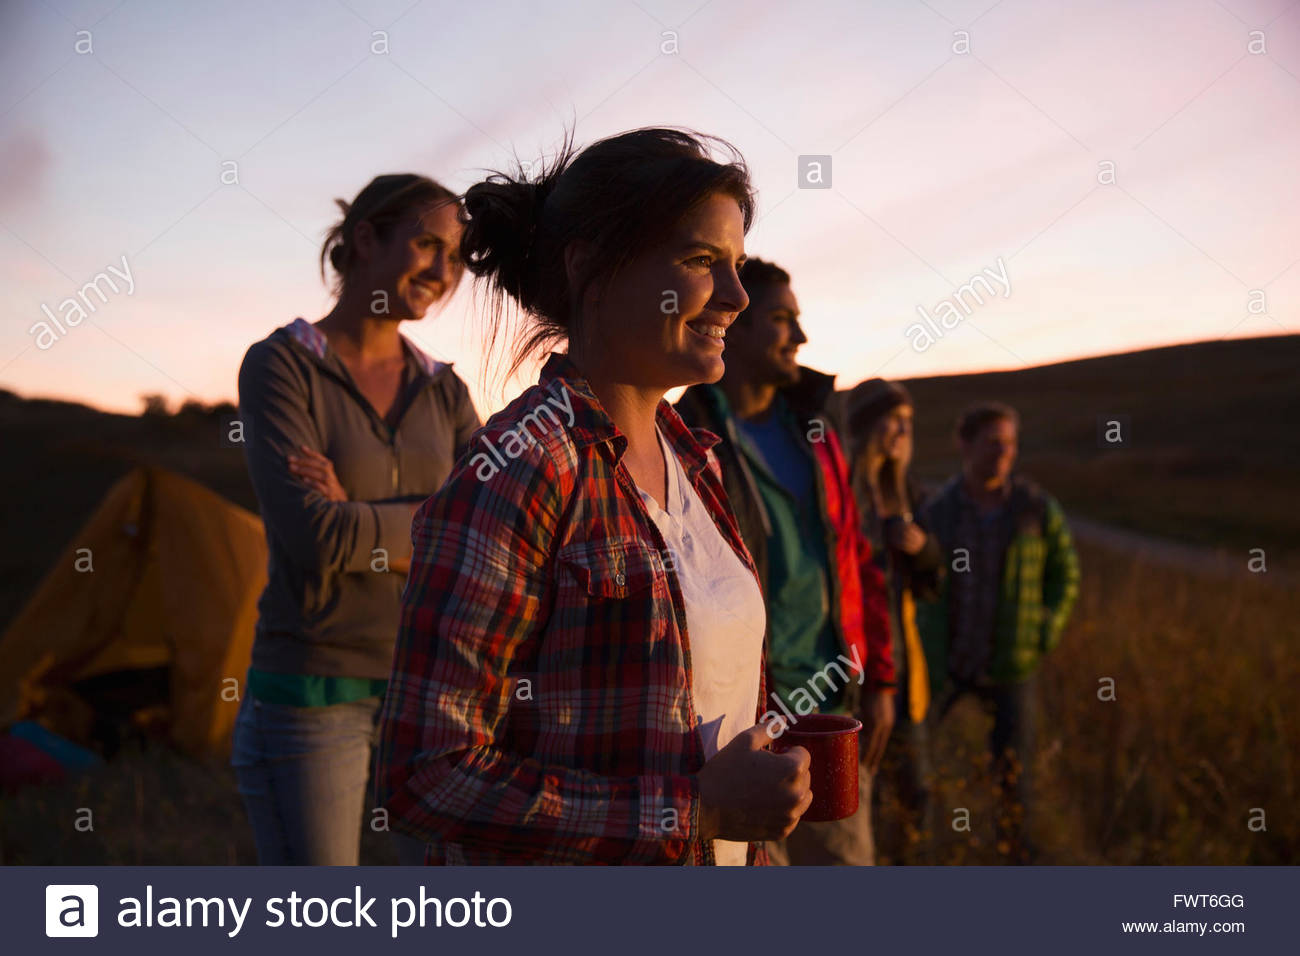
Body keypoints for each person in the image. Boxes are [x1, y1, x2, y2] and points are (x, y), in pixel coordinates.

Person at [375, 128, 813, 865]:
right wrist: (695, 812)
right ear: (592, 270)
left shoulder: (697, 461)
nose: (737, 297)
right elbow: (428, 774)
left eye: (736, 266)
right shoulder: (521, 470)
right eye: (704, 261)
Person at [231, 174, 481, 865]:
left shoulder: (446, 389)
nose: (442, 271)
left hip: (434, 700)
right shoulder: (282, 366)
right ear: (366, 239)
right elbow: (319, 539)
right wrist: (434, 526)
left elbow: (489, 535)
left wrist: (360, 514)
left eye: (455, 258)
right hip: (312, 695)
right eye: (427, 244)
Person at [675, 258, 896, 866]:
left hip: (829, 708)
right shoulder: (685, 430)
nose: (799, 338)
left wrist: (880, 676)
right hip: (737, 724)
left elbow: (860, 556)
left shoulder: (817, 429)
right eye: (781, 319)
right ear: (735, 327)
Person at [916, 402, 1080, 863]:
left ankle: (1016, 859)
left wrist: (1044, 629)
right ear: (963, 444)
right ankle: (920, 849)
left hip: (1012, 664)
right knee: (916, 759)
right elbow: (919, 583)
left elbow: (1065, 574)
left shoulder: (1034, 509)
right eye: (992, 442)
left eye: (1009, 443)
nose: (1003, 453)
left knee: (1014, 777)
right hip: (950, 663)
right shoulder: (940, 511)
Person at [844, 378, 943, 864]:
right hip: (851, 669)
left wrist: (924, 552)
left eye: (910, 422)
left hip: (906, 672)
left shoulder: (910, 494)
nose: (904, 430)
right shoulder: (842, 491)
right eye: (893, 419)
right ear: (866, 425)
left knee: (915, 793)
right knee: (858, 794)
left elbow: (934, 584)